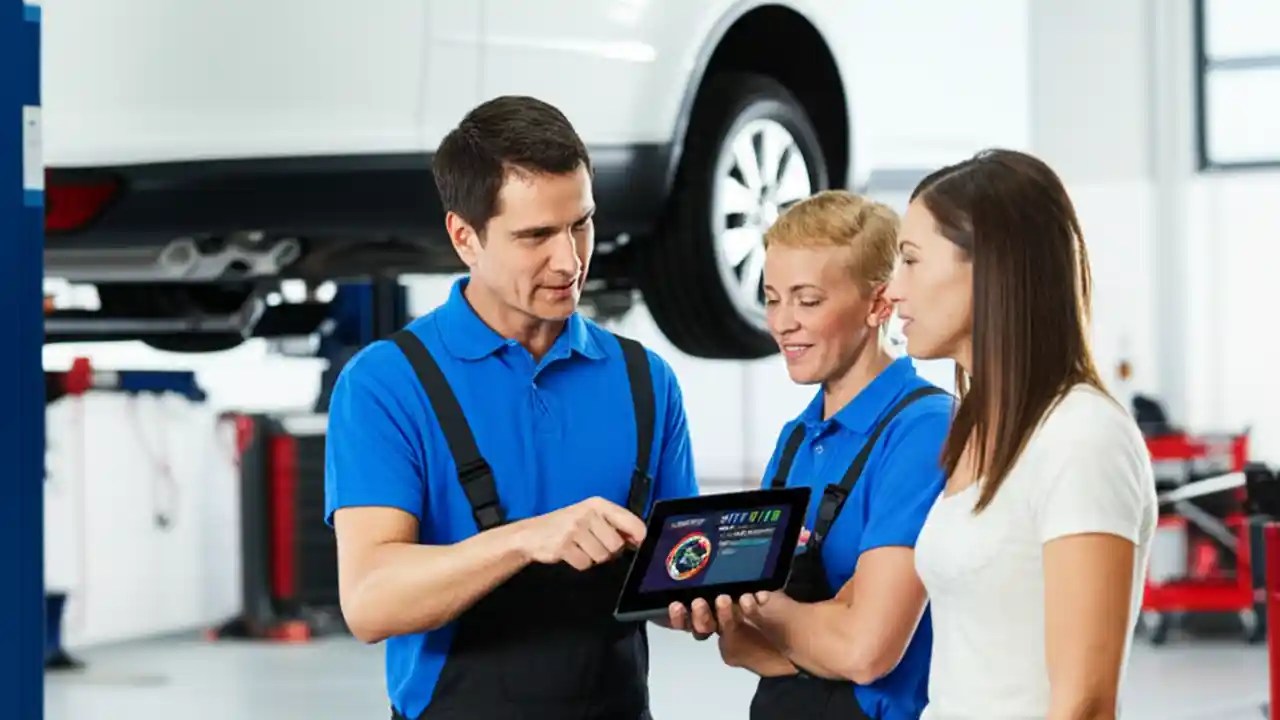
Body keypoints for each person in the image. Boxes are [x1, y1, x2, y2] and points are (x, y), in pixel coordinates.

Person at [324, 95, 699, 720]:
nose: (570, 260)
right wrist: (528, 539)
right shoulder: (385, 384)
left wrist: (744, 574)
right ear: (464, 237)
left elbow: (674, 578)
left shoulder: (645, 380)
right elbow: (369, 602)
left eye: (581, 223)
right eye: (536, 236)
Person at [884, 148, 1158, 720]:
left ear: (989, 266)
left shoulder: (1082, 437)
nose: (892, 291)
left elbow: (1082, 701)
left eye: (911, 261)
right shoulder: (981, 431)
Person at [668, 190, 954, 720]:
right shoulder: (797, 439)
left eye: (808, 299)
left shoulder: (925, 430)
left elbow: (866, 653)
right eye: (773, 298)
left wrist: (770, 614)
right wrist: (826, 620)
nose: (782, 323)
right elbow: (739, 648)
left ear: (878, 304)